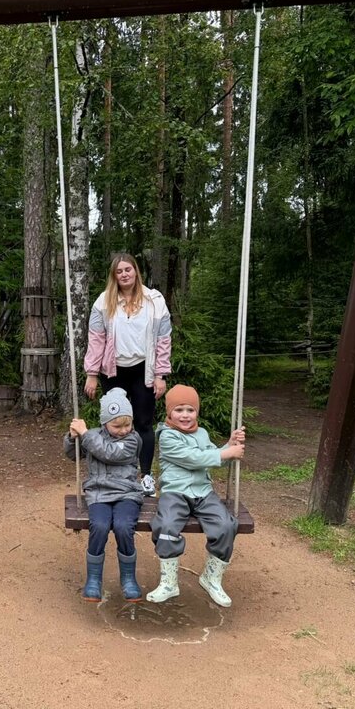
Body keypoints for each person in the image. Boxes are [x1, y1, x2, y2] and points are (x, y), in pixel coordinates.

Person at [144, 384, 245, 607]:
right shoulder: (167, 436)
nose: (185, 415)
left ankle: (211, 577)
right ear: (169, 412)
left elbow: (210, 454)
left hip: (203, 492)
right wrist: (227, 452)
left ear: (196, 412)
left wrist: (229, 444)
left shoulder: (202, 434)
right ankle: (169, 583)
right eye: (179, 410)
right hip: (175, 492)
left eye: (190, 410)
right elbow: (194, 458)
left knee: (226, 525)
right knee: (167, 526)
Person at [83, 253, 172, 483]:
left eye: (127, 270)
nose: (124, 274)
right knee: (116, 423)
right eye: (119, 271)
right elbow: (95, 340)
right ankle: (117, 474)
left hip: (144, 369)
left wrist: (160, 375)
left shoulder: (155, 300)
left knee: (143, 422)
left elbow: (164, 340)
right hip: (113, 371)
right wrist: (92, 374)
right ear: (114, 276)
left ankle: (145, 475)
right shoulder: (103, 302)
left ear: (136, 271)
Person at [65, 387, 144, 602]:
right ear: (104, 422)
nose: (123, 430)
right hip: (99, 494)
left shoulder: (133, 440)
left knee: (123, 526)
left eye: (127, 424)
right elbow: (73, 455)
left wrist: (85, 434)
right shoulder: (93, 436)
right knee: (99, 526)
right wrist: (73, 438)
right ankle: (93, 579)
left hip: (126, 493)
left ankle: (128, 578)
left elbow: (110, 453)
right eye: (117, 425)